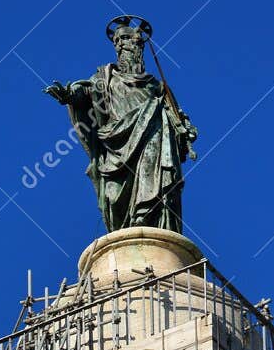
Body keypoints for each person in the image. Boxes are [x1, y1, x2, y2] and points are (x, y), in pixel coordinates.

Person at [46, 16, 197, 233]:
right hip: (116, 145)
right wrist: (69, 94)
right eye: (118, 41)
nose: (122, 45)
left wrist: (185, 130)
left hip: (152, 137)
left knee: (158, 179)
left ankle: (146, 217)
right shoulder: (105, 78)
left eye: (128, 40)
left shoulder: (157, 86)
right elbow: (85, 91)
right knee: (114, 195)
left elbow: (176, 116)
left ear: (139, 45)